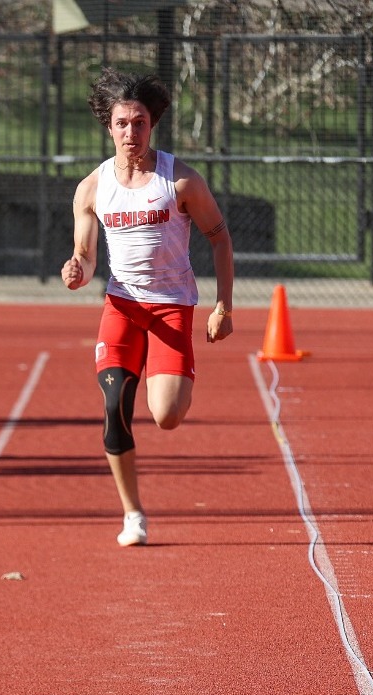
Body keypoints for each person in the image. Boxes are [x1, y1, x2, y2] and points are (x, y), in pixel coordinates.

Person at [60, 68, 234, 547]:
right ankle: (132, 513)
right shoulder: (92, 188)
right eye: (122, 123)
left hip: (172, 308)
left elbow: (220, 239)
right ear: (108, 125)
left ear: (151, 124)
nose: (130, 132)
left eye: (139, 122)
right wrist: (76, 270)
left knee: (167, 416)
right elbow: (85, 256)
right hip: (122, 306)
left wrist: (223, 306)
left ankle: (174, 381)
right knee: (114, 405)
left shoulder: (180, 180)